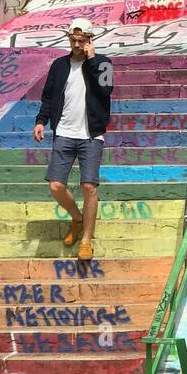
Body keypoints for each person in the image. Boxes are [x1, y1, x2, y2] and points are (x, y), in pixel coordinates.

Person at [33, 18, 113, 261]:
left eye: (82, 40)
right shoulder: (58, 66)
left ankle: (86, 240)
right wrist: (41, 120)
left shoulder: (104, 64)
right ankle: (77, 218)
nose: (77, 44)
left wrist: (92, 61)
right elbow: (48, 96)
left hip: (91, 134)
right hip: (65, 132)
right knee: (55, 185)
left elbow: (105, 91)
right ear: (69, 38)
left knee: (89, 186)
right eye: (73, 40)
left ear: (90, 39)